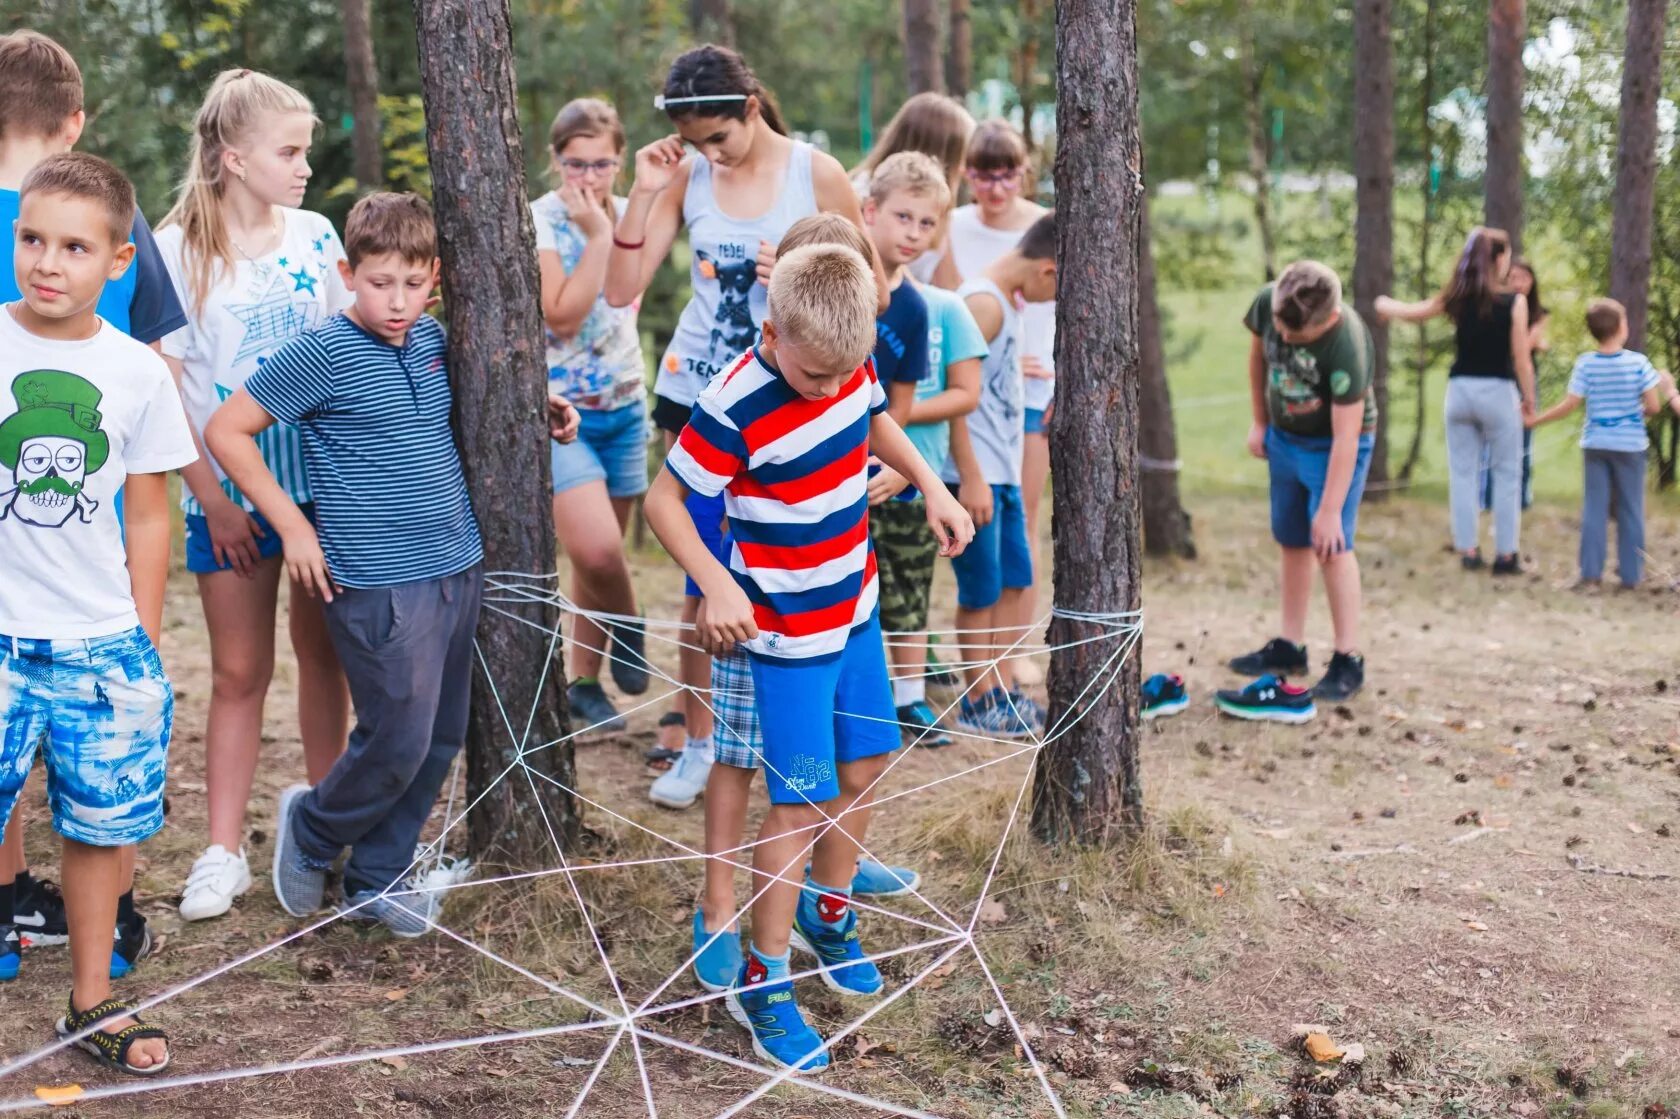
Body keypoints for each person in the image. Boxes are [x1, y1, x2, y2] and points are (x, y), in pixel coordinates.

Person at [646, 243, 972, 1071]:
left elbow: (874, 414)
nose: (831, 387)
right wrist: (717, 583)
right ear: (772, 330)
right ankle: (766, 980)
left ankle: (831, 911)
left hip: (855, 610)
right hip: (786, 638)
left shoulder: (844, 364)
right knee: (795, 804)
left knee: (867, 763)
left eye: (844, 371)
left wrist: (931, 484)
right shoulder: (736, 403)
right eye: (815, 374)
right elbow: (664, 500)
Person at [205, 192, 491, 938]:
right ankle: (315, 828)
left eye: (411, 282)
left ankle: (378, 876)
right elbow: (227, 429)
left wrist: (545, 410)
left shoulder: (432, 341)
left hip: (455, 562)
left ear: (436, 276)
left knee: (441, 734)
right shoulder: (325, 352)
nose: (395, 301)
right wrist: (293, 526)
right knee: (394, 735)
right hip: (372, 578)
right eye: (377, 282)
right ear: (347, 274)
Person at [605, 44, 876, 789]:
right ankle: (703, 738)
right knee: (707, 573)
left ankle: (797, 733)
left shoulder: (813, 173)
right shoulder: (688, 175)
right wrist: (644, 191)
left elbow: (868, 290)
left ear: (751, 108)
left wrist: (794, 266)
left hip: (791, 397)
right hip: (699, 393)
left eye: (718, 137)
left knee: (789, 563)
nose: (709, 154)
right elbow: (620, 285)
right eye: (695, 143)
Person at [0, 152, 196, 1073]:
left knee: (96, 828)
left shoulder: (138, 374)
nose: (47, 262)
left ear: (119, 262)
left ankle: (91, 1001)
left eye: (74, 246)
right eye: (32, 238)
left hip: (99, 646)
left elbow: (151, 510)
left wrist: (143, 640)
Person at [155, 69, 353, 923]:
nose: (306, 165)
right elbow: (165, 392)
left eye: (305, 149)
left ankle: (326, 830)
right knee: (239, 671)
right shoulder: (175, 250)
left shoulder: (315, 234)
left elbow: (353, 344)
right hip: (225, 493)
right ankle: (221, 849)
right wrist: (214, 495)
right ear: (233, 157)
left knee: (327, 657)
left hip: (322, 487)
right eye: (290, 150)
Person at [532, 98, 650, 734]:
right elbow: (562, 313)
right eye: (575, 163)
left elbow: (625, 296)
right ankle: (631, 625)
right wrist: (600, 235)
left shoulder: (633, 214)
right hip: (558, 414)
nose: (589, 177)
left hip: (625, 407)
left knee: (591, 564)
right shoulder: (542, 220)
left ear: (620, 159)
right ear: (555, 160)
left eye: (602, 163)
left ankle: (583, 683)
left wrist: (616, 226)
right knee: (601, 553)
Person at [1220, 261, 1375, 719]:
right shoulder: (1272, 302)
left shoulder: (1348, 344)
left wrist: (1329, 509)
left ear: (1328, 320)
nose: (1284, 340)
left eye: (1297, 337)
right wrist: (1260, 422)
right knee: (1291, 539)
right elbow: (1256, 359)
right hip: (1285, 439)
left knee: (1332, 544)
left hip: (1334, 446)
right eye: (1282, 332)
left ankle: (1349, 658)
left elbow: (1348, 436)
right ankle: (1290, 646)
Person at [933, 120, 1054, 688]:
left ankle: (1006, 665)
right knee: (982, 571)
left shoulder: (1042, 229)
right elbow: (955, 363)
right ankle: (980, 684)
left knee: (1019, 537)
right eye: (983, 175)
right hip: (977, 426)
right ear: (967, 176)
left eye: (1008, 175)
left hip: (1023, 399)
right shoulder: (976, 281)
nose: (996, 187)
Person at [946, 211, 1057, 740]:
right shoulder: (982, 304)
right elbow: (954, 400)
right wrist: (970, 477)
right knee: (982, 589)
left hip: (1005, 473)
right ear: (1048, 272)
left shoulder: (1003, 303)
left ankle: (1000, 683)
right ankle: (977, 698)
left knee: (1016, 579)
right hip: (979, 477)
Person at [1376, 227, 1535, 574]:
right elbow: (1522, 358)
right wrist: (1530, 399)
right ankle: (1506, 555)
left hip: (1460, 391)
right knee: (1507, 474)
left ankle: (1468, 549)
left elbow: (1416, 311)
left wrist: (1385, 305)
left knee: (1463, 473)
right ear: (1498, 258)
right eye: (1506, 255)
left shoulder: (1459, 296)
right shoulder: (1514, 302)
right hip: (1498, 391)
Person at [1527, 298, 1663, 590]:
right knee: (1630, 509)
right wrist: (1636, 411)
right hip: (1630, 447)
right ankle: (1631, 575)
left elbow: (1570, 403)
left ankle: (1590, 573)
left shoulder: (1586, 364)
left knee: (1594, 508)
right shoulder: (1638, 363)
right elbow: (1654, 406)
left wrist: (1536, 420)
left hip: (1596, 444)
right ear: (1621, 328)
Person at [848, 92, 974, 283]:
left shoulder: (933, 206)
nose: (964, 169)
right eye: (961, 157)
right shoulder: (859, 195)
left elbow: (949, 286)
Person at [1480, 258, 1547, 511]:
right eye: (1513, 277)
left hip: (1524, 380)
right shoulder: (1496, 306)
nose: (1518, 283)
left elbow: (1526, 345)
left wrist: (1534, 342)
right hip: (1499, 376)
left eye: (1524, 277)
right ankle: (1487, 497)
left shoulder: (1539, 313)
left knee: (1524, 438)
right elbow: (1524, 345)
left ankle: (1521, 498)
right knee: (1491, 439)